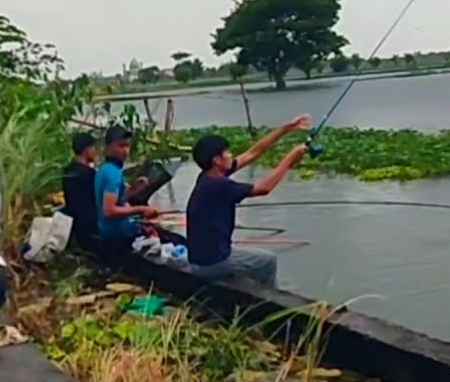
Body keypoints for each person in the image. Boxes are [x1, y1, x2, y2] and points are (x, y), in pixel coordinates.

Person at [185, 114, 312, 286]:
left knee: (253, 260)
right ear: (217, 160)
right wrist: (290, 159)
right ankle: (268, 300)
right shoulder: (218, 185)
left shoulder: (209, 176)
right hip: (211, 262)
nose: (231, 155)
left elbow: (253, 153)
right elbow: (263, 189)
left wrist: (286, 128)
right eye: (227, 152)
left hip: (203, 257)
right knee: (267, 260)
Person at [95, 125, 159, 249]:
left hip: (106, 228)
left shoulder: (105, 168)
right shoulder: (112, 173)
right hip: (115, 233)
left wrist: (134, 188)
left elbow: (118, 199)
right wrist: (141, 209)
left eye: (127, 146)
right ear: (108, 147)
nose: (125, 151)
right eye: (121, 146)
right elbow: (109, 210)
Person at [60, 132, 101, 252]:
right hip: (91, 226)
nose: (96, 151)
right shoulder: (90, 175)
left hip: (74, 225)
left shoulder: (68, 171)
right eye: (94, 147)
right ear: (86, 150)